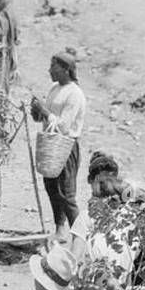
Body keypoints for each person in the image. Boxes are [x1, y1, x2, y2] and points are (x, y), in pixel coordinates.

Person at [31, 53, 87, 241]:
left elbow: (63, 126)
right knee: (51, 187)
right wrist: (36, 111)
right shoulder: (55, 88)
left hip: (66, 146)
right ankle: (60, 230)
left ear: (65, 69)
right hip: (51, 144)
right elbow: (46, 119)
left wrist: (44, 111)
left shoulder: (75, 94)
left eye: (53, 66)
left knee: (66, 194)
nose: (49, 70)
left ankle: (81, 237)